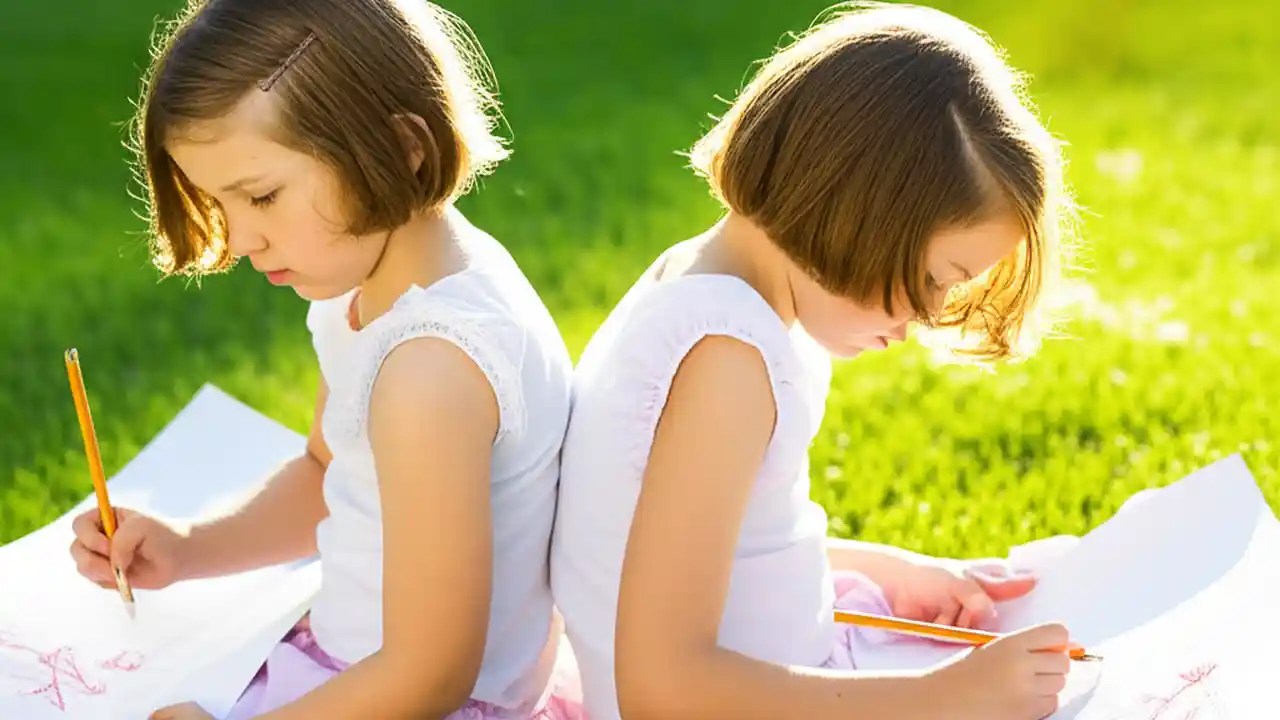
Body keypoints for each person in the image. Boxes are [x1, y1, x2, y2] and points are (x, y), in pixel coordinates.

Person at [551, 3, 1079, 719]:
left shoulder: (712, 292)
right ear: (855, 213)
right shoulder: (725, 358)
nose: (926, 318)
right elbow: (660, 687)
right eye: (933, 279)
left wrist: (882, 569)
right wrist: (941, 699)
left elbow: (705, 552)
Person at [69, 1, 581, 717]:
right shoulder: (376, 290)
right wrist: (189, 547)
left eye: (263, 196)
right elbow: (327, 473)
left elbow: (433, 674)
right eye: (219, 203)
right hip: (367, 670)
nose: (243, 237)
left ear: (401, 146)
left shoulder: (431, 367)